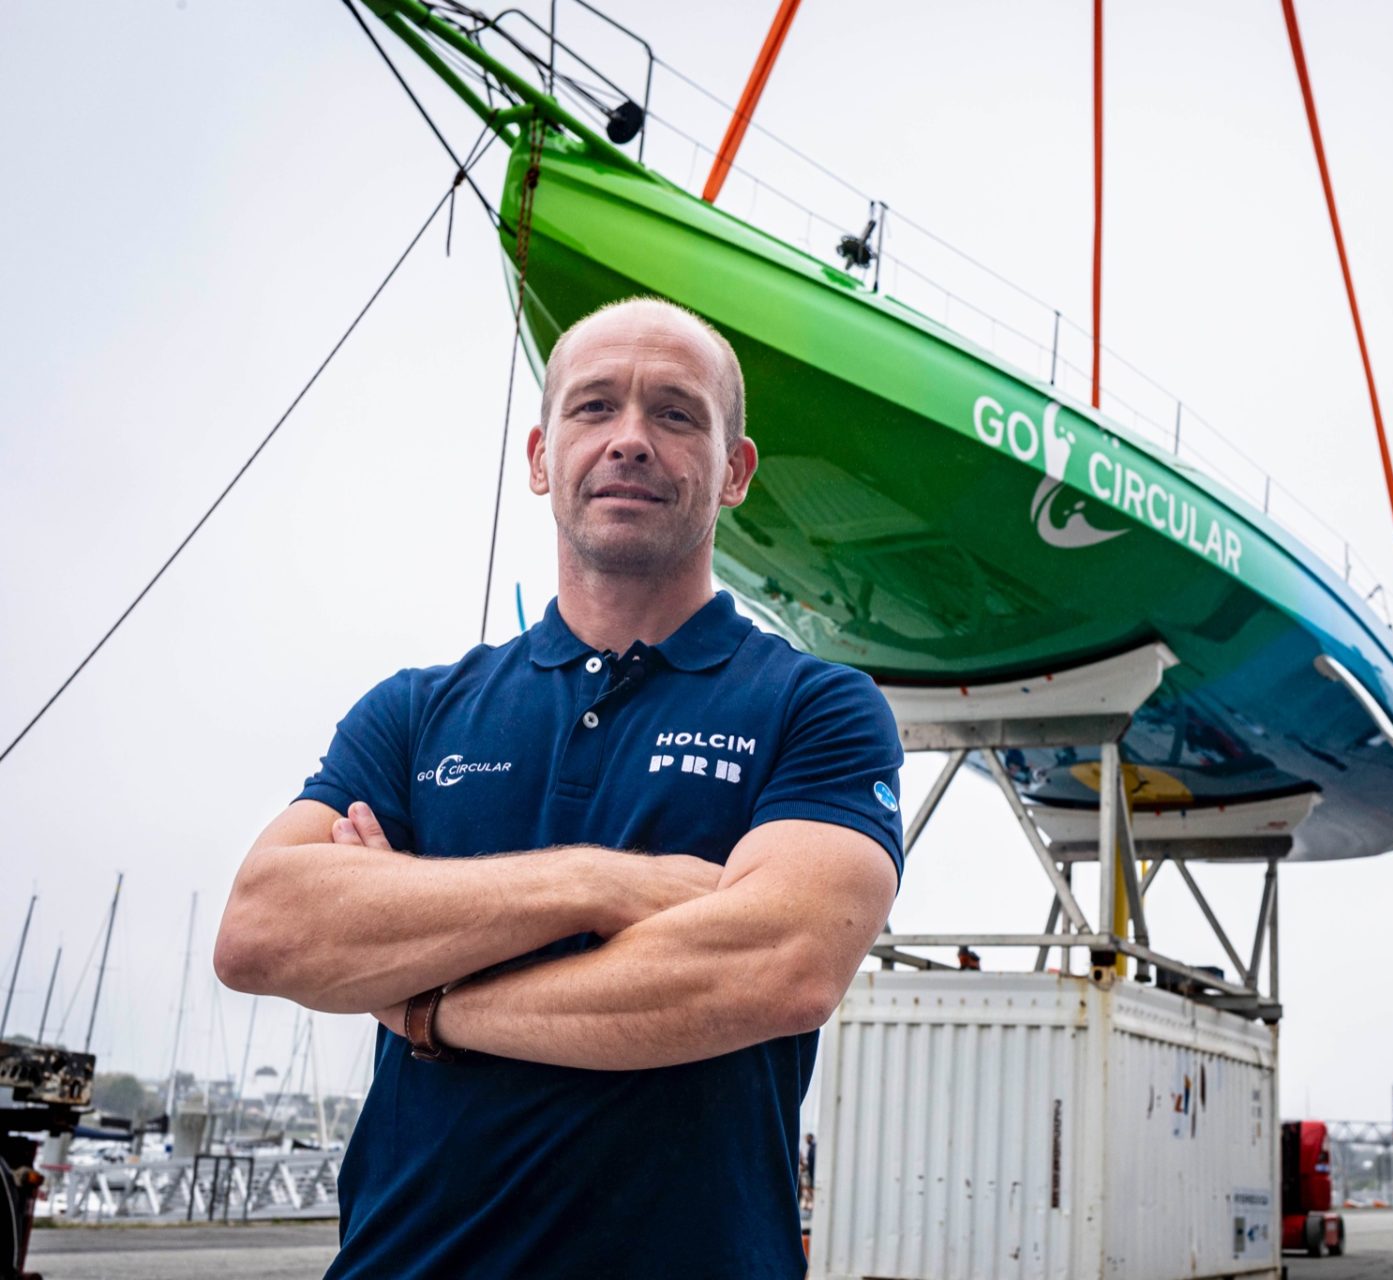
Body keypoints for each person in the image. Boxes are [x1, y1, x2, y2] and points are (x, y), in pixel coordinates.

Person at [213, 297, 907, 1279]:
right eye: (594, 408)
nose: (629, 438)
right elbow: (264, 926)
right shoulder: (414, 713)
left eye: (675, 414)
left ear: (736, 470)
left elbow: (778, 966)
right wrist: (602, 883)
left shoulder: (818, 707)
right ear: (541, 456)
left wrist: (428, 1003)